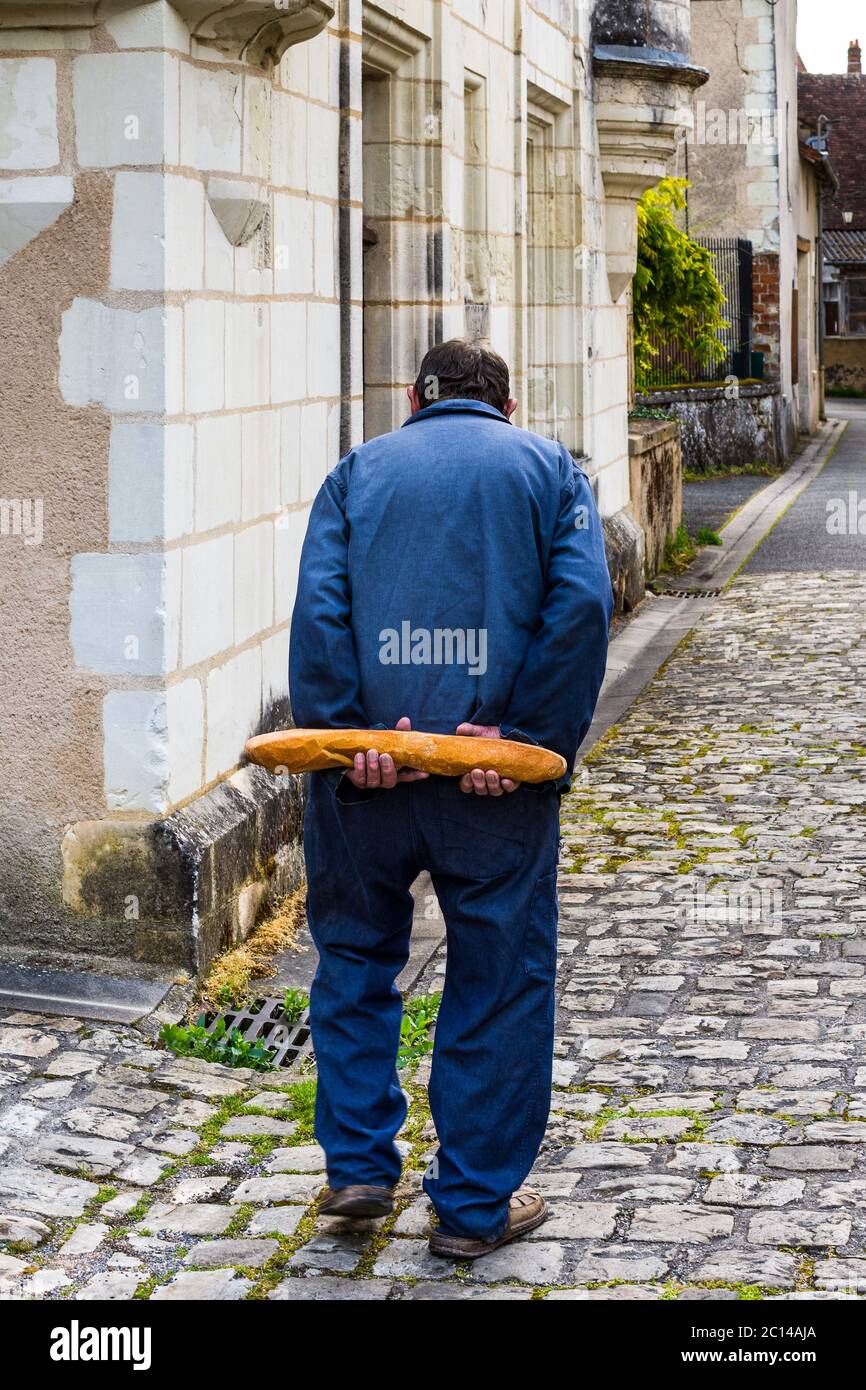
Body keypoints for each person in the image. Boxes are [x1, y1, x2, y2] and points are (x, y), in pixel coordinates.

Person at [289, 339, 613, 1258]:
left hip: (367, 780)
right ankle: (472, 1208)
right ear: (505, 404)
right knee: (500, 978)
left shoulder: (355, 474)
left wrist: (350, 738)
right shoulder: (551, 472)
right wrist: (525, 740)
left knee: (353, 957)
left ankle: (355, 1165)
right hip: (492, 783)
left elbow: (318, 615)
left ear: (412, 397)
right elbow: (581, 608)